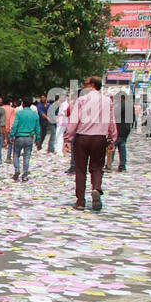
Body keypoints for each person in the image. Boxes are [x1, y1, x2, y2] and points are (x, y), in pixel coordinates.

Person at [63, 75, 116, 211]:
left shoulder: (82, 100)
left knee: (80, 170)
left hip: (82, 138)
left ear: (92, 85)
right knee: (97, 167)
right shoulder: (107, 101)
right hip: (100, 138)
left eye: (85, 84)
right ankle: (96, 188)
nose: (83, 87)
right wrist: (112, 138)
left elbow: (74, 120)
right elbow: (111, 121)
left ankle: (80, 201)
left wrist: (68, 138)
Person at [9, 98, 40, 181]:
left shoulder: (19, 114)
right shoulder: (35, 115)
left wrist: (11, 136)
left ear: (23, 105)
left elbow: (15, 125)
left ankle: (17, 169)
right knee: (27, 157)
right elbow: (37, 128)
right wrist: (38, 139)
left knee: (16, 154)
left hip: (19, 137)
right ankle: (25, 175)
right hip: (29, 137)